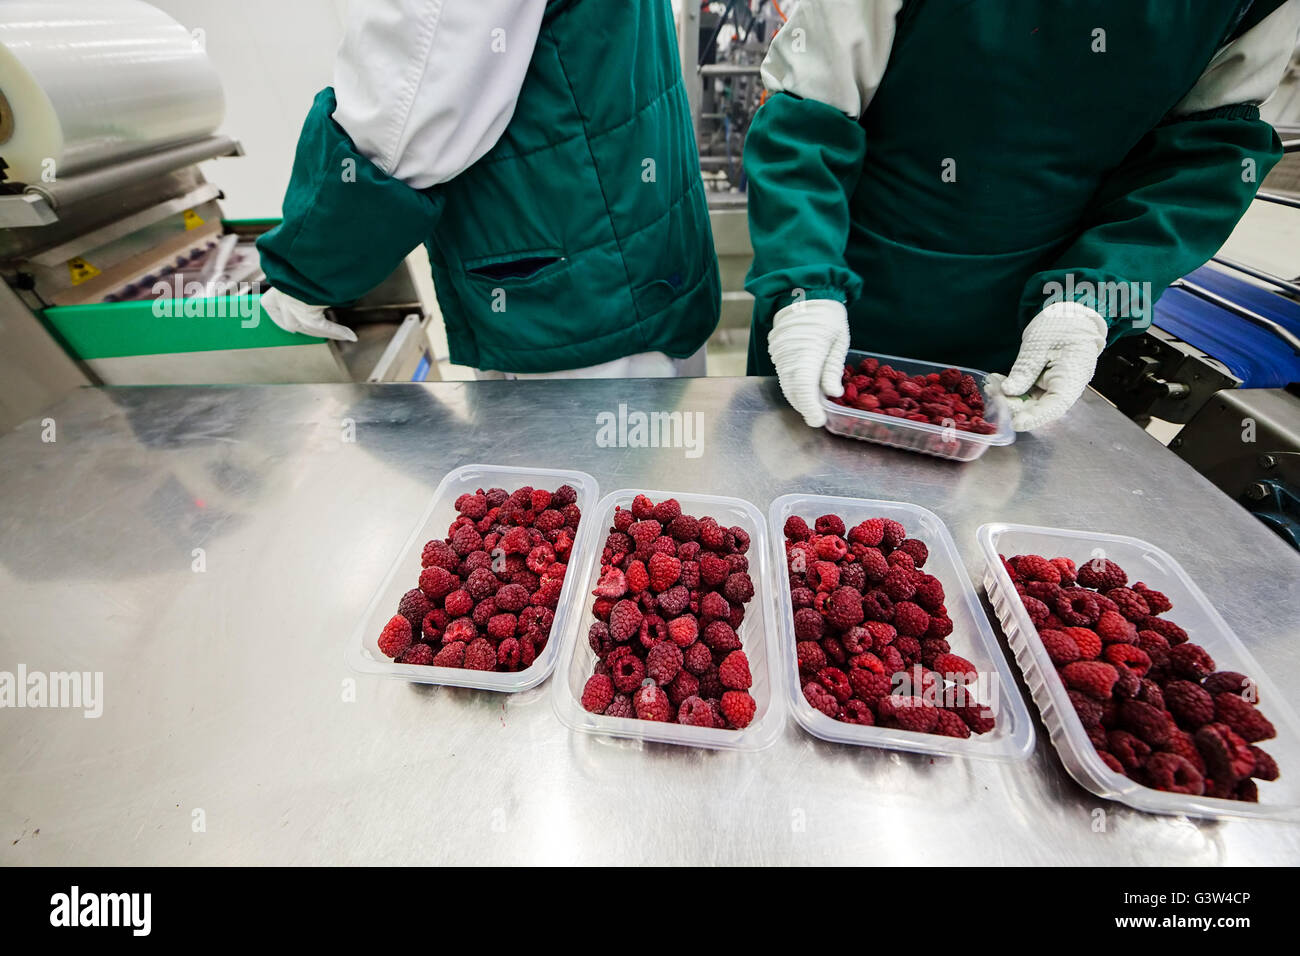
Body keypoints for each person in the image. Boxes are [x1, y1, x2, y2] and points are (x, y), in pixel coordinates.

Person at [745, 0, 1300, 429]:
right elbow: (805, 119)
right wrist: (804, 286)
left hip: (1026, 321)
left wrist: (1096, 298)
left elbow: (1206, 158)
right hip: (842, 280)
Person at [257, 0, 719, 379]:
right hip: (637, 256)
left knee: (582, 485)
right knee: (646, 477)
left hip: (574, 300)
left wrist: (307, 272)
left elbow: (400, 113)